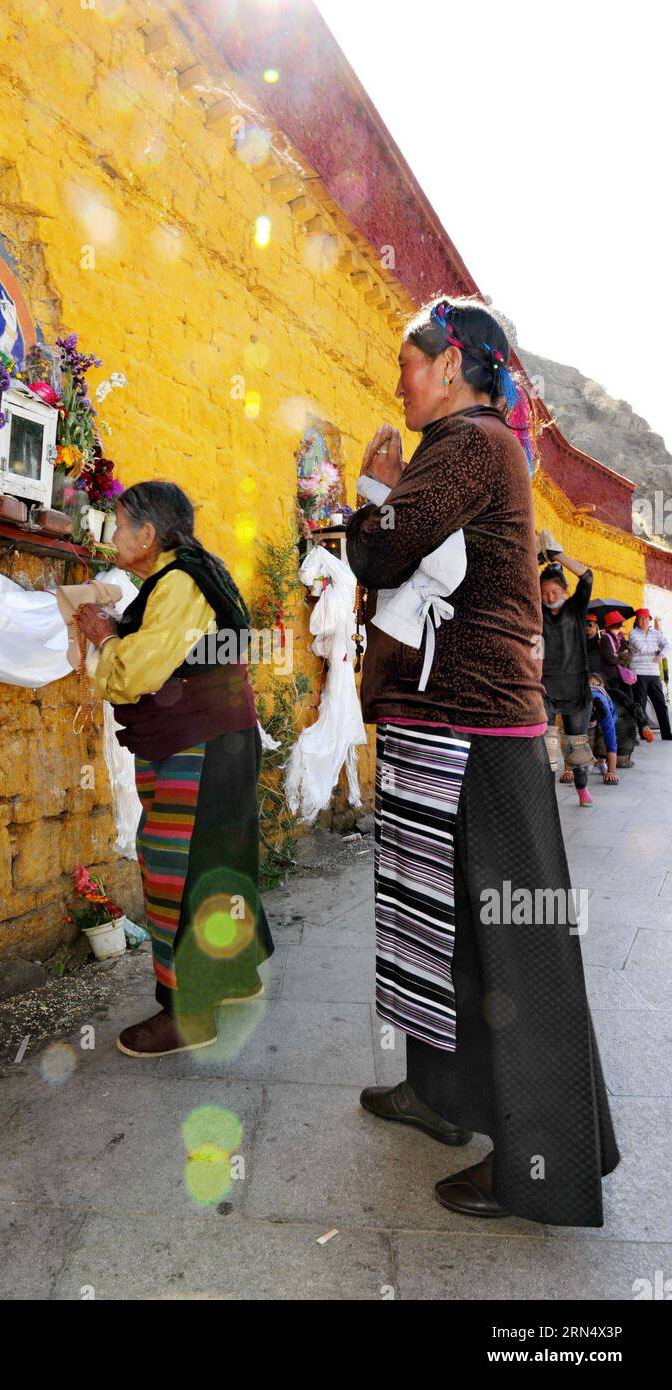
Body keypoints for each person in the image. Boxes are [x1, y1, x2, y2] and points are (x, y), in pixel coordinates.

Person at [346, 296, 618, 1226]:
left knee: (511, 938)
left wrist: (376, 491)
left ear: (453, 363)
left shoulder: (467, 444)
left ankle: (540, 1162)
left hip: (477, 732)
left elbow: (381, 555)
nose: (398, 380)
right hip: (442, 724)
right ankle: (441, 1094)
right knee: (437, 922)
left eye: (409, 363)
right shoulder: (464, 446)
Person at [76, 481, 274, 1057]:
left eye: (120, 525)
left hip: (200, 741)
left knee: (176, 865)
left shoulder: (179, 582)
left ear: (147, 534)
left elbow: (139, 668)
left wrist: (106, 636)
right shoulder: (193, 571)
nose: (114, 535)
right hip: (220, 736)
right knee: (219, 860)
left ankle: (189, 1012)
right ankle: (233, 975)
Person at [539, 558, 595, 806]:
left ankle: (582, 789)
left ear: (564, 590)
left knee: (577, 745)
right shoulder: (535, 613)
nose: (550, 597)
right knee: (546, 749)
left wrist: (559, 555)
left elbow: (587, 577)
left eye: (554, 591)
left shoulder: (575, 609)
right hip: (545, 690)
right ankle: (546, 798)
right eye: (544, 592)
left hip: (575, 690)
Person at [600, 610, 652, 758]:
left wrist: (622, 657)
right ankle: (617, 735)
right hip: (611, 677)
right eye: (620, 625)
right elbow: (611, 659)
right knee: (616, 706)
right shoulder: (605, 639)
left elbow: (628, 655)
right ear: (614, 625)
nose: (622, 627)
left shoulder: (620, 638)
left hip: (623, 677)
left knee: (629, 704)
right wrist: (622, 658)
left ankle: (632, 734)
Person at [629, 607, 672, 739]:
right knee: (640, 704)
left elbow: (668, 645)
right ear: (637, 620)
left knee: (660, 703)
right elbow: (641, 647)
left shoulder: (656, 633)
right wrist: (658, 648)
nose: (643, 621)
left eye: (645, 618)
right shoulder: (633, 633)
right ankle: (643, 733)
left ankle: (666, 733)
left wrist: (661, 655)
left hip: (653, 673)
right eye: (640, 619)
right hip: (639, 672)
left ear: (649, 619)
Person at [587, 673, 619, 784]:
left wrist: (612, 772)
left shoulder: (605, 713)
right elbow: (568, 737)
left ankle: (601, 760)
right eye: (590, 684)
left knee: (602, 737)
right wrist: (568, 770)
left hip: (605, 716)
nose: (593, 685)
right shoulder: (576, 708)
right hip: (585, 709)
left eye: (596, 684)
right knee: (584, 738)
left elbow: (612, 743)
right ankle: (588, 761)